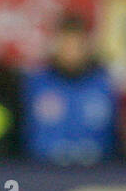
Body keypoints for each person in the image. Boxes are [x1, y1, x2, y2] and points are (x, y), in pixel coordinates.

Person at [20, 11, 118, 165]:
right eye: (66, 44)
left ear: (87, 46)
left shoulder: (104, 85)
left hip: (97, 176)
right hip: (42, 175)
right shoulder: (37, 84)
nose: (71, 52)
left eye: (76, 45)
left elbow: (114, 137)